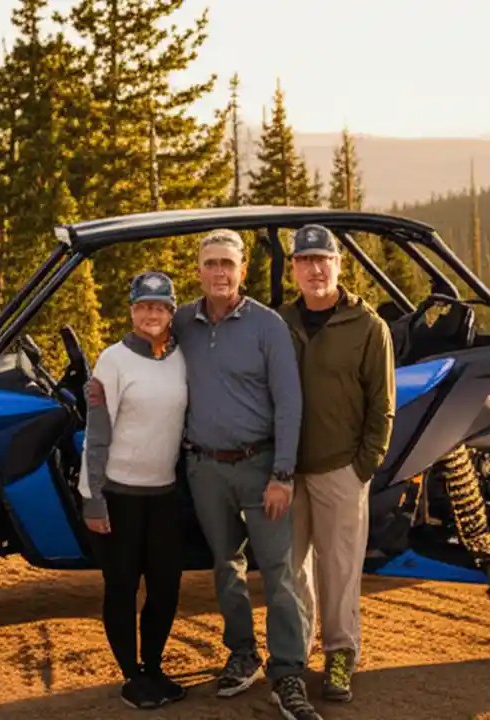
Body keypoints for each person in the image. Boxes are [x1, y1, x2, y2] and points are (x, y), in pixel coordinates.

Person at [89, 229, 322, 720]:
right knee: (225, 565)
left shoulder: (267, 326)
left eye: (227, 264)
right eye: (211, 263)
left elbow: (290, 403)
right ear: (198, 271)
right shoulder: (185, 324)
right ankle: (242, 654)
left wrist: (283, 473)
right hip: (205, 468)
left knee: (278, 570)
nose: (219, 272)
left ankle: (287, 670)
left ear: (242, 270)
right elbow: (140, 355)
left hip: (261, 466)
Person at [278, 224, 395, 703]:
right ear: (294, 268)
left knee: (339, 569)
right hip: (286, 472)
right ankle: (297, 649)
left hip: (340, 469)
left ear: (338, 264)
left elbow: (382, 405)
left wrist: (363, 466)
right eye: (305, 260)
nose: (315, 269)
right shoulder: (278, 322)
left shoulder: (368, 327)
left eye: (323, 259)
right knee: (290, 569)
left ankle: (341, 653)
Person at [80, 271, 189, 710]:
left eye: (160, 307)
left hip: (163, 494)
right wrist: (93, 498)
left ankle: (154, 666)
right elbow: (96, 436)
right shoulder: (113, 361)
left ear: (171, 312)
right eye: (144, 306)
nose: (151, 314)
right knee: (122, 586)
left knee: (165, 587)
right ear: (131, 311)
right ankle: (131, 674)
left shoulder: (181, 360)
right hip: (118, 495)